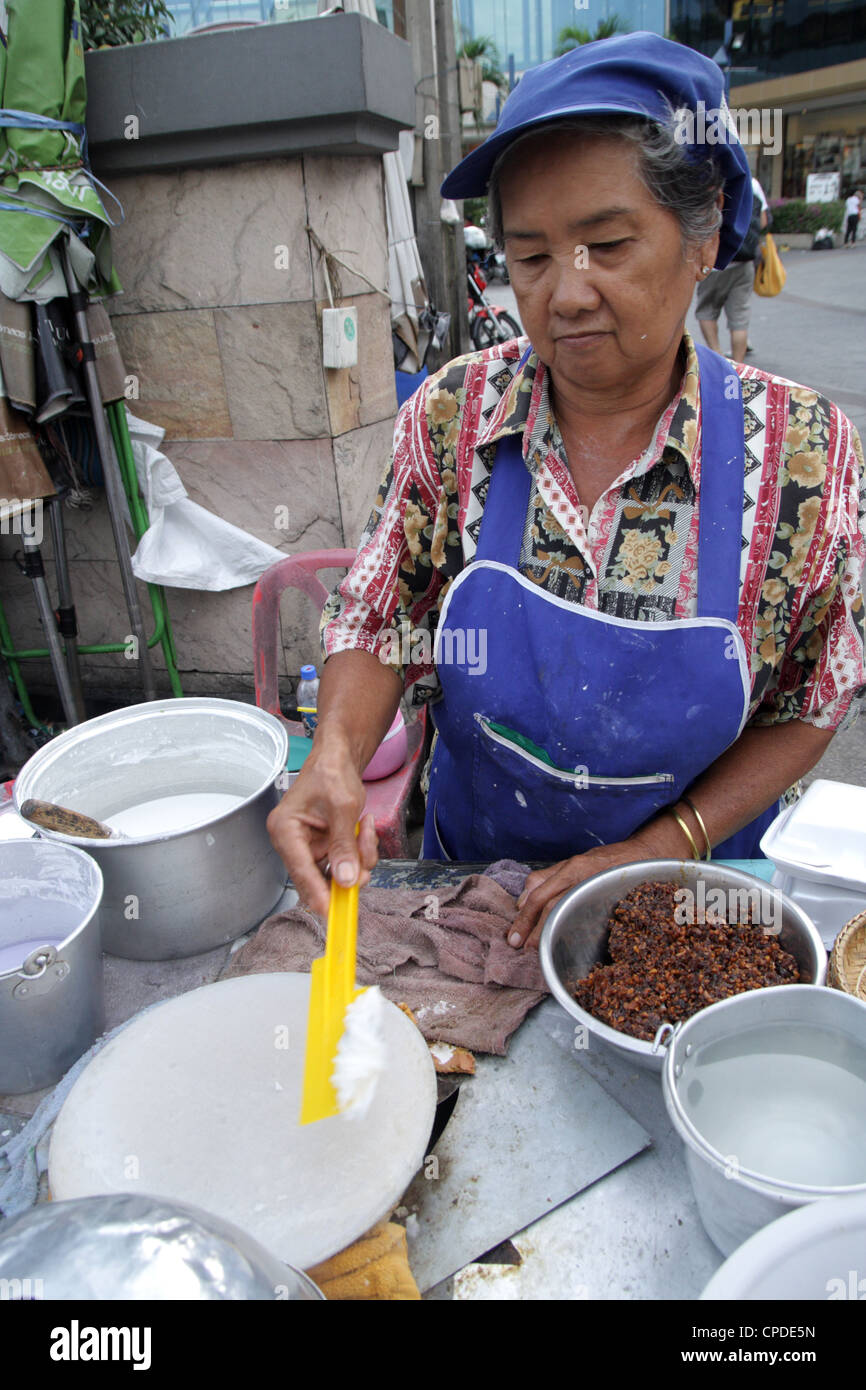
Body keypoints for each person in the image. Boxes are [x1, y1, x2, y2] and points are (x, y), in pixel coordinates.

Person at [268, 33, 866, 949]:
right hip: (478, 890)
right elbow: (384, 613)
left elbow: (813, 699)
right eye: (532, 257)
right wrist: (338, 754)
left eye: (608, 244)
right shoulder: (456, 415)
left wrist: (664, 844)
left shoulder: (804, 457)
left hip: (692, 895)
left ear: (703, 233)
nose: (566, 294)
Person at [696, 175, 768, 362]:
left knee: (707, 310)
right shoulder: (752, 184)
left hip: (714, 262)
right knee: (740, 318)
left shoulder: (707, 178)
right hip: (744, 260)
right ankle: (737, 366)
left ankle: (718, 357)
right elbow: (763, 222)